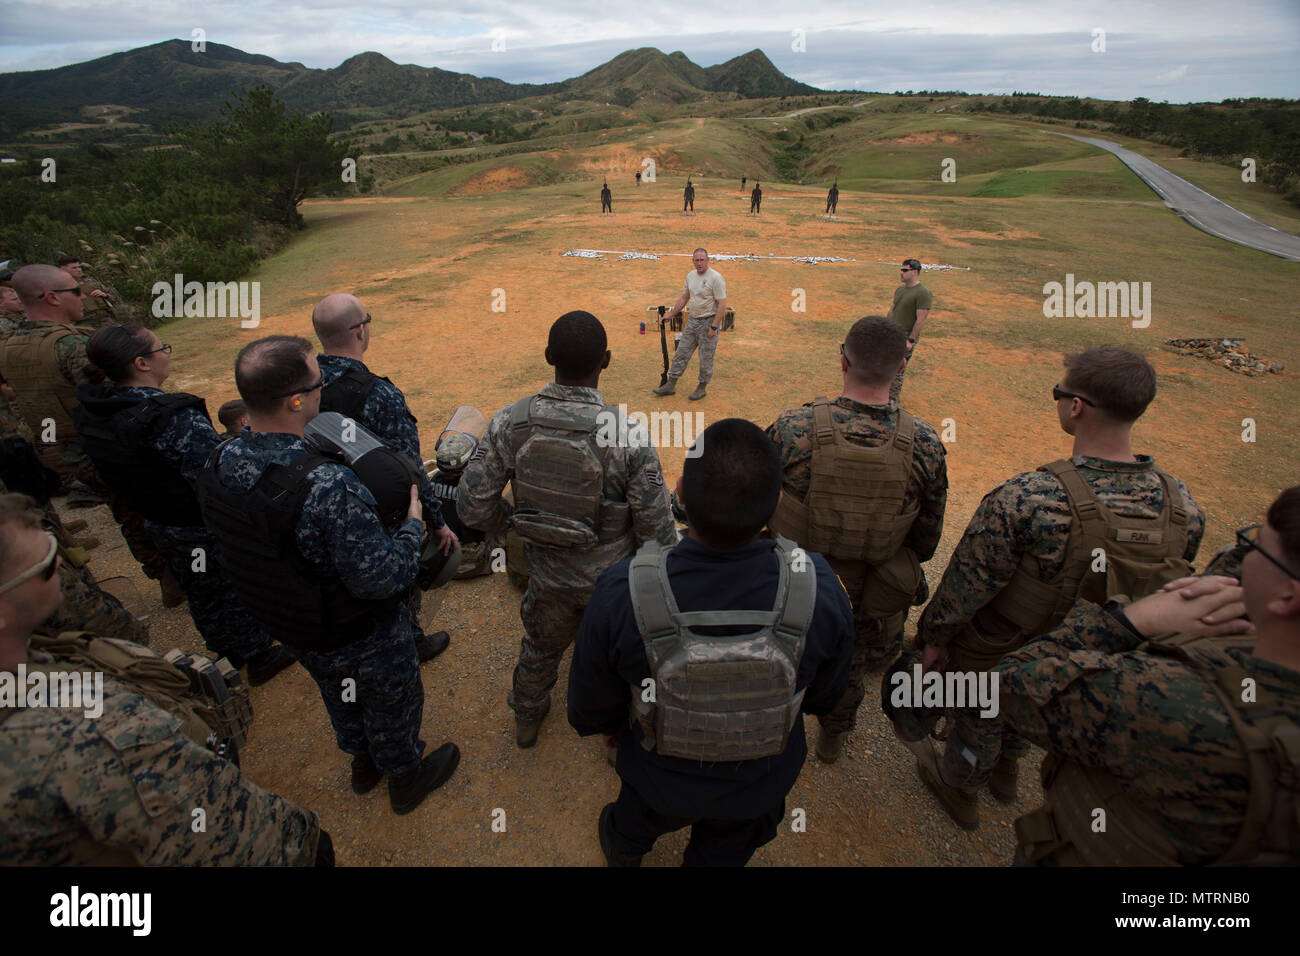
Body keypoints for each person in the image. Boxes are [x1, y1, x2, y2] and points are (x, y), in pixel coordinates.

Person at [908, 346, 1205, 829]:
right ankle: (1008, 769)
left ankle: (961, 787)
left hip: (1008, 647)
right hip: (1092, 659)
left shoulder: (1027, 497)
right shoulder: (1181, 505)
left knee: (981, 710)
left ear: (1076, 407)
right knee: (1037, 693)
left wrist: (934, 638)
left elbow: (966, 585)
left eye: (1059, 393)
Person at [568, 418, 854, 866]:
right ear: (777, 501)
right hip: (758, 781)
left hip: (658, 773)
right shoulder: (819, 587)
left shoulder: (623, 590)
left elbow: (590, 698)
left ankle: (625, 852)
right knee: (725, 850)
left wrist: (609, 730)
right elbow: (825, 695)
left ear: (679, 492)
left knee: (633, 824)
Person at [196, 336, 459, 813]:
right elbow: (382, 577)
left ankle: (362, 762)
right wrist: (413, 525)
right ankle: (404, 774)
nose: (324, 388)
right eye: (317, 381)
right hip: (355, 626)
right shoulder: (325, 483)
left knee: (338, 691)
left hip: (289, 621)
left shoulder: (218, 460)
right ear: (297, 399)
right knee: (391, 695)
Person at [0, 493, 333, 865]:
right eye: (47, 565)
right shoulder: (99, 734)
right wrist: (308, 842)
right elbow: (232, 842)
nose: (61, 561)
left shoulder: (35, 661)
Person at [993, 486, 1299, 865]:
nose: (1244, 556)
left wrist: (1134, 619)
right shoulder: (1185, 504)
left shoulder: (1165, 699)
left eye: (1255, 546)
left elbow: (1009, 685)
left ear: (1287, 597)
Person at [458, 311, 677, 748]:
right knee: (627, 664)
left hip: (546, 577)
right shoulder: (627, 435)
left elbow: (472, 505)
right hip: (614, 589)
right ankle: (622, 739)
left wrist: (517, 528)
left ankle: (527, 716)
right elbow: (658, 534)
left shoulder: (510, 423)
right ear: (608, 360)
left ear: (548, 356)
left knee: (540, 647)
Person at [765, 316, 948, 763]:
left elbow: (758, 513)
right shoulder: (925, 443)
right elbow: (926, 539)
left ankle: (773, 727)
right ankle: (834, 734)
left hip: (795, 589)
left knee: (782, 659)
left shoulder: (792, 428)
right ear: (901, 365)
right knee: (850, 669)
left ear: (842, 358)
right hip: (874, 599)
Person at [74, 324, 294, 685]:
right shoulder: (169, 417)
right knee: (230, 582)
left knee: (200, 586)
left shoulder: (95, 408)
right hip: (199, 522)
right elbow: (215, 475)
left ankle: (228, 649)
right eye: (164, 348)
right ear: (142, 362)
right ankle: (258, 654)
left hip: (157, 520)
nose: (167, 354)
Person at [0, 265, 179, 605]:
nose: (83, 296)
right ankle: (175, 575)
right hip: (101, 448)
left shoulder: (9, 345)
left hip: (59, 449)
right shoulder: (71, 345)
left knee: (124, 510)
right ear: (51, 297)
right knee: (146, 509)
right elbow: (119, 396)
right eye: (75, 291)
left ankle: (163, 574)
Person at [311, 293, 457, 662]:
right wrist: (437, 524)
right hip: (378, 512)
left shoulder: (302, 386)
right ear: (360, 331)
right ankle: (410, 641)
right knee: (394, 581)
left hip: (318, 504)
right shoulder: (379, 395)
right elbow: (409, 470)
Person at [652, 249, 729, 401]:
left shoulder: (716, 278)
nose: (699, 263)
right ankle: (671, 384)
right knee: (681, 352)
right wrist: (670, 314)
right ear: (692, 261)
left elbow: (722, 304)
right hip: (693, 320)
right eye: (696, 260)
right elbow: (684, 298)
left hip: (709, 321)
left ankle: (702, 387)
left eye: (702, 260)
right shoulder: (690, 276)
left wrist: (714, 327)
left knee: (705, 357)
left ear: (708, 260)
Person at [885, 258, 932, 403]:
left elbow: (921, 319)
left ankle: (892, 402)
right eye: (901, 269)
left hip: (905, 335)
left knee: (897, 369)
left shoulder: (923, 293)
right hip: (892, 332)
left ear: (915, 272)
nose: (901, 273)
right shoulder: (900, 289)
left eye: (905, 270)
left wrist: (910, 340)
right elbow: (892, 309)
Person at [56, 255, 115, 326]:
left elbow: (114, 299)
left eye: (79, 267)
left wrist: (105, 295)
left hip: (106, 319)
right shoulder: (60, 287)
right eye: (74, 268)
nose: (79, 270)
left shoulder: (91, 282)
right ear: (63, 269)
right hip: (84, 324)